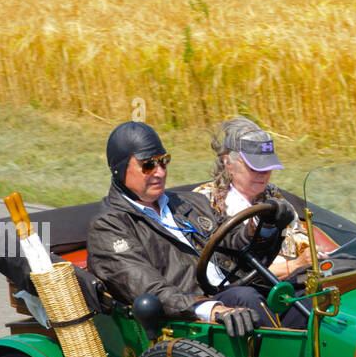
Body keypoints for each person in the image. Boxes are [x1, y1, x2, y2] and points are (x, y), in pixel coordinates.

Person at [86, 121, 289, 335]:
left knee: (299, 290)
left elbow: (233, 244)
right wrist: (211, 309)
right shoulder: (108, 227)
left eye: (163, 162)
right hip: (187, 319)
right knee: (245, 297)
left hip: (233, 293)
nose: (160, 172)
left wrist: (263, 225)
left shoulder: (191, 203)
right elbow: (148, 289)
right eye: (148, 165)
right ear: (119, 169)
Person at [195, 117, 327, 286]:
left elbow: (300, 241)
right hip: (249, 293)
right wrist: (294, 266)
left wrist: (314, 255)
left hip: (294, 282)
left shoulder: (272, 194)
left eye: (268, 166)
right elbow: (226, 272)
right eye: (255, 167)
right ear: (228, 163)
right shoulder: (205, 200)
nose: (264, 173)